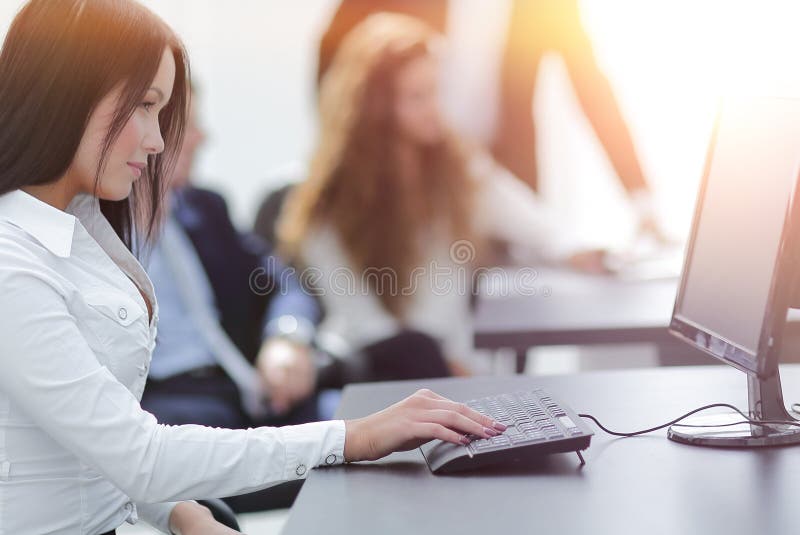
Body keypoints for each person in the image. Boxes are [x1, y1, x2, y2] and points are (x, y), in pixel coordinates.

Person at [0, 2, 505, 534]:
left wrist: (184, 515)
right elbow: (138, 455)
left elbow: (89, 454)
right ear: (70, 93)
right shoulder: (15, 268)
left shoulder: (84, 230)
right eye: (146, 106)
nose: (157, 141)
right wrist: (350, 437)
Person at [278, 14, 604, 382]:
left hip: (451, 367)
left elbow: (535, 225)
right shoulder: (328, 200)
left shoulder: (459, 172)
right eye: (417, 97)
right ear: (376, 109)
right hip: (373, 370)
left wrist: (577, 250)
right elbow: (363, 321)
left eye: (436, 90)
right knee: (415, 353)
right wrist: (442, 367)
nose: (435, 108)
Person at [316, 0, 663, 237]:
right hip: (410, 171)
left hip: (505, 173)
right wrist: (347, 145)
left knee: (517, 300)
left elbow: (590, 84)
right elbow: (334, 58)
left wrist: (640, 196)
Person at [141, 91, 325, 512]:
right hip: (172, 410)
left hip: (246, 390)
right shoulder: (89, 229)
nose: (202, 138)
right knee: (350, 457)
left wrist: (287, 338)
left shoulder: (203, 206)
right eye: (187, 125)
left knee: (400, 369)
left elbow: (281, 280)